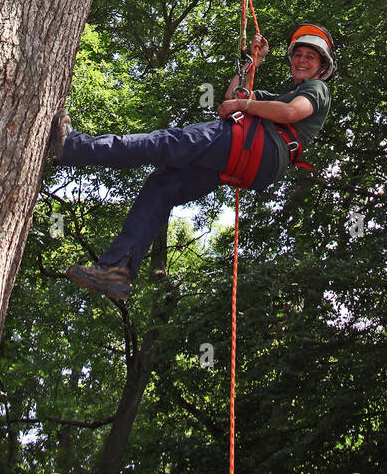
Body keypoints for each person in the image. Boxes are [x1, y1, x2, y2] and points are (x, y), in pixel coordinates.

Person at [47, 23, 336, 302]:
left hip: (250, 145)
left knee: (165, 143)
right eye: (297, 54)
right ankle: (117, 269)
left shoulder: (317, 89)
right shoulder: (277, 97)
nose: (301, 60)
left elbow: (290, 112)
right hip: (248, 163)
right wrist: (254, 61)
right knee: (163, 185)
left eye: (309, 57)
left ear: (322, 67)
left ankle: (74, 148)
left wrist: (242, 106)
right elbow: (233, 94)